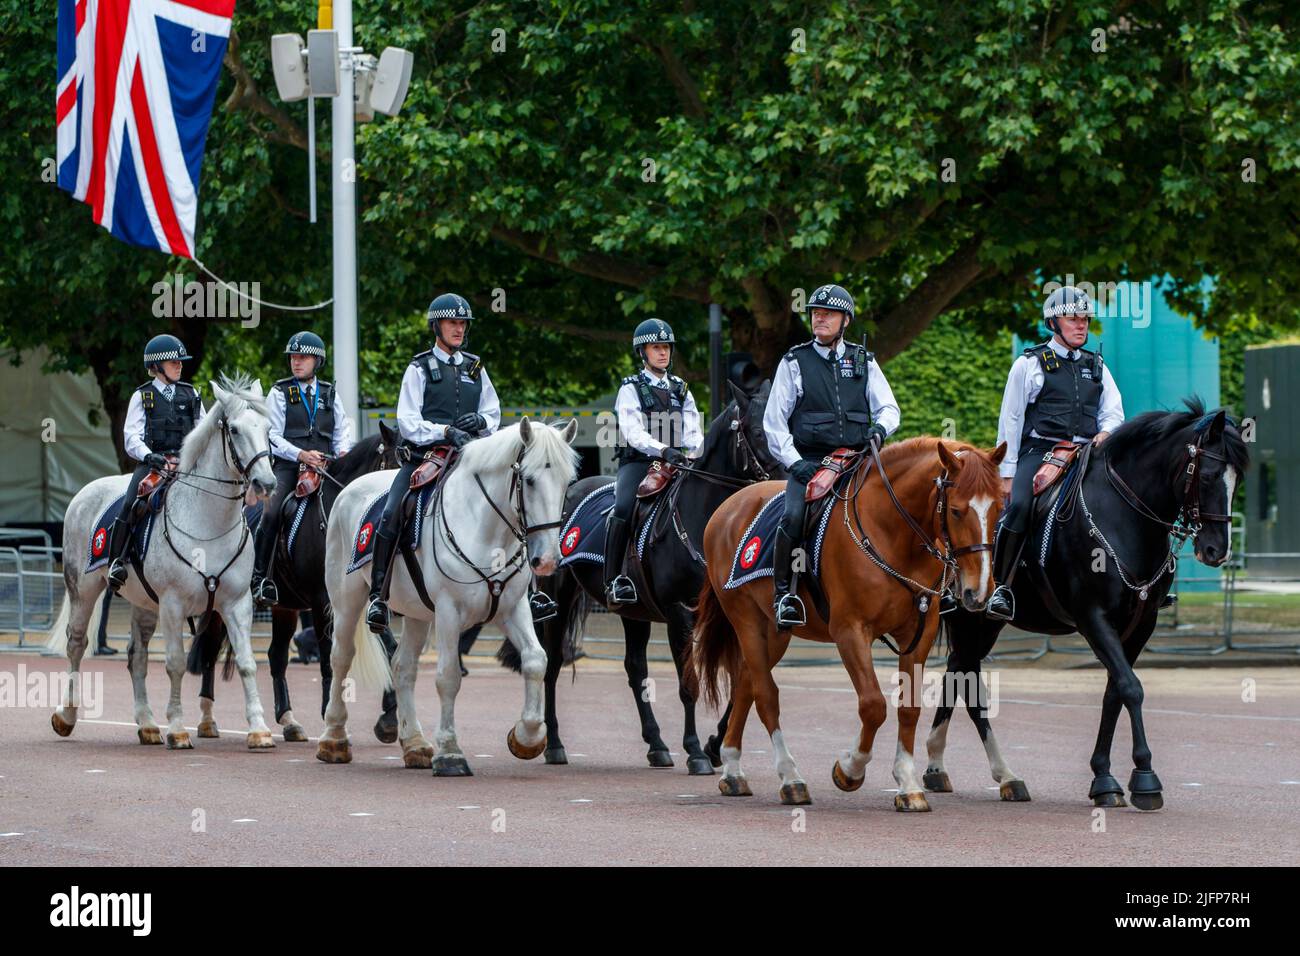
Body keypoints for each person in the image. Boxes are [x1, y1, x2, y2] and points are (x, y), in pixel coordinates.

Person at [763, 284, 899, 629]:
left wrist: (880, 429)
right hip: (809, 461)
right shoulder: (794, 361)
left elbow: (889, 407)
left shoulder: (864, 360)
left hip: (857, 460)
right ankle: (784, 595)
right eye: (816, 313)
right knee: (793, 517)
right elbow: (774, 422)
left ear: (845, 320)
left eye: (829, 313)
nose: (820, 317)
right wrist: (795, 463)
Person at [985, 285, 1126, 620]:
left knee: (1124, 499)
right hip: (1040, 451)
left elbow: (1114, 412)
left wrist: (1106, 432)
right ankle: (1000, 587)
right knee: (1018, 506)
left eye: (1085, 319)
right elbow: (1011, 419)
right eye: (1073, 318)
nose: (1081, 325)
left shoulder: (1097, 366)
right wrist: (1007, 472)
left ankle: (1141, 583)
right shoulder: (1028, 364)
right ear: (1053, 323)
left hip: (1088, 453)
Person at [365, 293, 501, 633]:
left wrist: (479, 423)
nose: (458, 329)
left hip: (469, 456)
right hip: (426, 457)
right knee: (391, 511)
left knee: (507, 502)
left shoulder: (475, 366)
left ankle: (527, 592)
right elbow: (407, 420)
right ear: (436, 326)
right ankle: (378, 597)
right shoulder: (419, 366)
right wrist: (444, 430)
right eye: (452, 323)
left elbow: (493, 412)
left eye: (462, 324)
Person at [603, 318, 704, 605]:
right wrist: (663, 450)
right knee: (623, 508)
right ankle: (615, 580)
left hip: (677, 464)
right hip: (638, 463)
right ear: (642, 352)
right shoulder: (630, 388)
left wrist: (694, 455)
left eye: (666, 347)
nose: (663, 353)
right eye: (656, 347)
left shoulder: (681, 388)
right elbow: (633, 432)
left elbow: (694, 430)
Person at [251, 331, 355, 607]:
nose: (296, 362)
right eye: (293, 357)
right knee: (271, 512)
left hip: (326, 465)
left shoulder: (330, 393)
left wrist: (342, 454)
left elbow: (342, 431)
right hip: (288, 466)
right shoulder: (280, 391)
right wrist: (301, 454)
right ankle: (261, 578)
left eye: (303, 357)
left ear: (316, 361)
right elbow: (272, 435)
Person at [106, 334, 206, 593]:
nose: (180, 365)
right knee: (130, 503)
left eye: (180, 361)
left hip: (186, 465)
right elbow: (131, 437)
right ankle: (117, 561)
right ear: (157, 366)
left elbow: (203, 431)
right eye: (174, 361)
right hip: (153, 464)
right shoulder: (142, 396)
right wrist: (149, 455)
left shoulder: (191, 393)